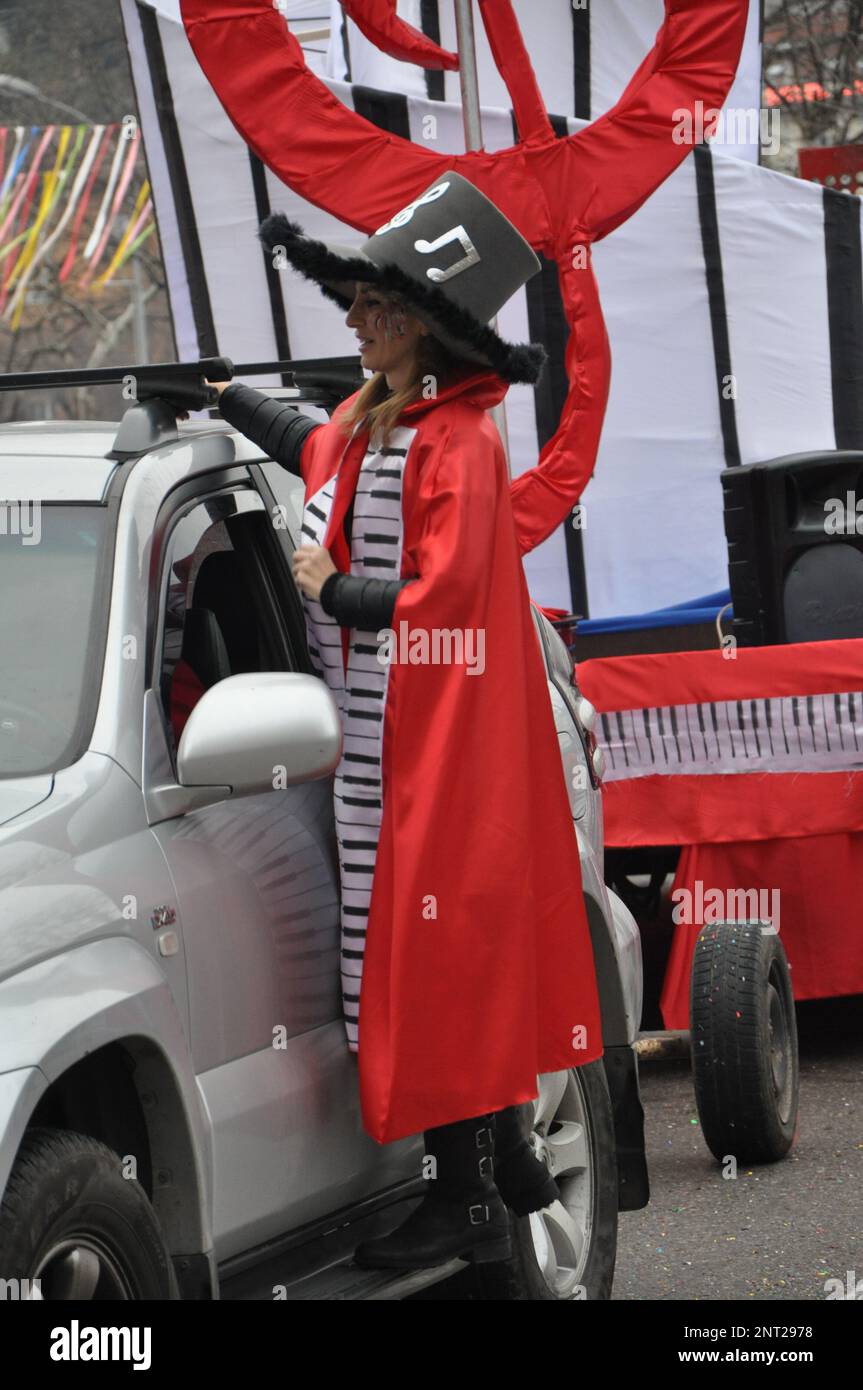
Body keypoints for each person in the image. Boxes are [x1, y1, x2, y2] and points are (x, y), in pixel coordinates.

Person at [210, 171, 603, 1271]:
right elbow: (315, 447)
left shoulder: (462, 443)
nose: (353, 319)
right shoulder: (383, 416)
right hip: (379, 737)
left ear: (427, 327)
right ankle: (505, 1163)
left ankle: (469, 1193)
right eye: (353, 301)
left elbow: (447, 595)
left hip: (432, 742)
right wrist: (229, 396)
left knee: (434, 959)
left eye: (373, 306)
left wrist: (331, 591)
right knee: (412, 957)